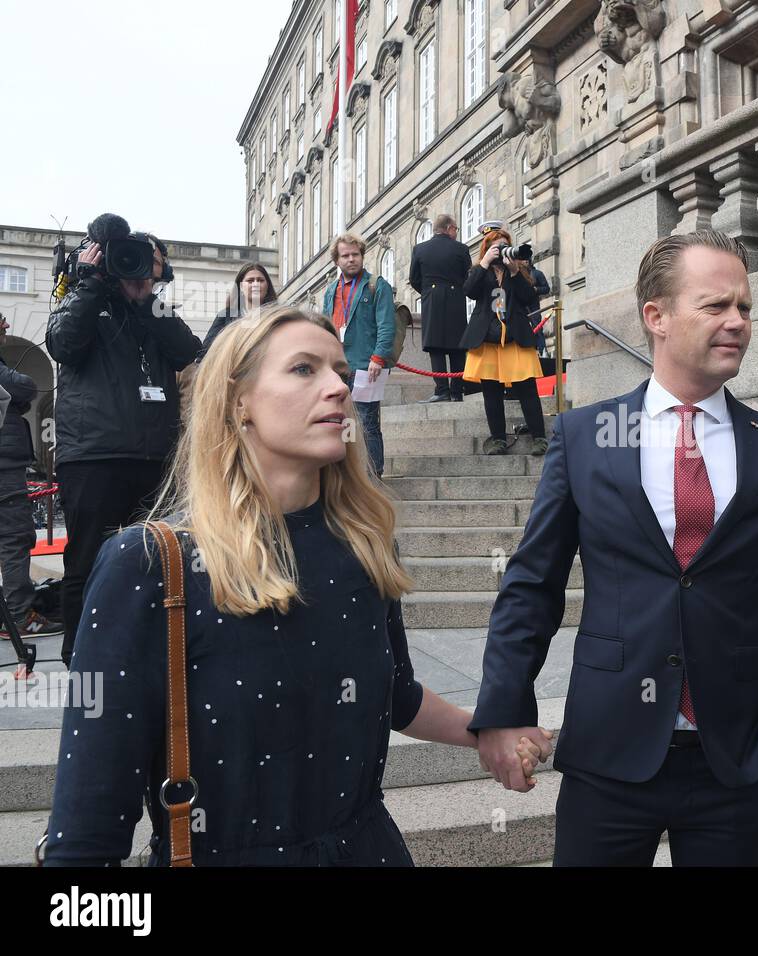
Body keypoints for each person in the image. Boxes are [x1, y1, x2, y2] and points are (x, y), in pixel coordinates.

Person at [41, 305, 551, 866]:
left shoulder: (363, 543)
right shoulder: (146, 565)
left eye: (338, 368)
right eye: (305, 369)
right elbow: (86, 835)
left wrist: (487, 731)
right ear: (240, 403)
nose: (338, 385)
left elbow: (396, 696)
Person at [470, 229, 758, 866]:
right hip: (607, 756)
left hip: (741, 766)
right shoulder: (586, 437)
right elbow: (532, 585)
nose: (738, 322)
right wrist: (503, 709)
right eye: (715, 306)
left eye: (744, 307)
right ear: (656, 317)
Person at [46, 233, 201, 667]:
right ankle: (81, 659)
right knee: (86, 561)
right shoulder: (83, 298)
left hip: (154, 455)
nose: (138, 267)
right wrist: (91, 283)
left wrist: (143, 299)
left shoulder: (152, 308)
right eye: (129, 259)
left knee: (155, 558)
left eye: (148, 260)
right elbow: (63, 344)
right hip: (93, 455)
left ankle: (148, 652)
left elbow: (187, 350)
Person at [461, 226, 548, 456]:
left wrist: (514, 272)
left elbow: (530, 298)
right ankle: (497, 439)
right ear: (487, 249)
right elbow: (469, 291)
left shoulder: (518, 270)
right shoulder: (480, 270)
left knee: (527, 389)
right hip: (487, 340)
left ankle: (539, 437)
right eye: (495, 247)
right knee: (492, 392)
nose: (500, 251)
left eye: (503, 246)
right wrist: (484, 263)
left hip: (515, 338)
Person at [0, 313, 60, 638]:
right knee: (15, 538)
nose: (7, 325)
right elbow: (23, 386)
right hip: (4, 468)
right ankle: (21, 616)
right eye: (1, 321)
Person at [321, 233, 394, 477]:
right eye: (345, 256)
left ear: (362, 256)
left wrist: (378, 358)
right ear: (337, 261)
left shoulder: (376, 285)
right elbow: (326, 327)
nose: (351, 259)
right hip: (339, 368)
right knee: (344, 420)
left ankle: (374, 474)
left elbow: (386, 326)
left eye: (355, 254)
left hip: (367, 365)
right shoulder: (331, 291)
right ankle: (350, 472)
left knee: (368, 422)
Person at [408, 215, 472, 403]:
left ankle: (441, 390)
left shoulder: (419, 249)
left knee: (435, 346)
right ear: (450, 228)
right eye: (456, 229)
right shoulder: (461, 249)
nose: (456, 233)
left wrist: (428, 291)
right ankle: (457, 392)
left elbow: (414, 278)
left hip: (432, 300)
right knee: (457, 347)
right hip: (456, 299)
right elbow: (466, 276)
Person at [197, 262, 278, 361]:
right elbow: (206, 351)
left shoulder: (277, 317)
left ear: (267, 287)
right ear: (241, 287)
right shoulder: (226, 316)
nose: (256, 284)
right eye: (250, 281)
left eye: (260, 280)